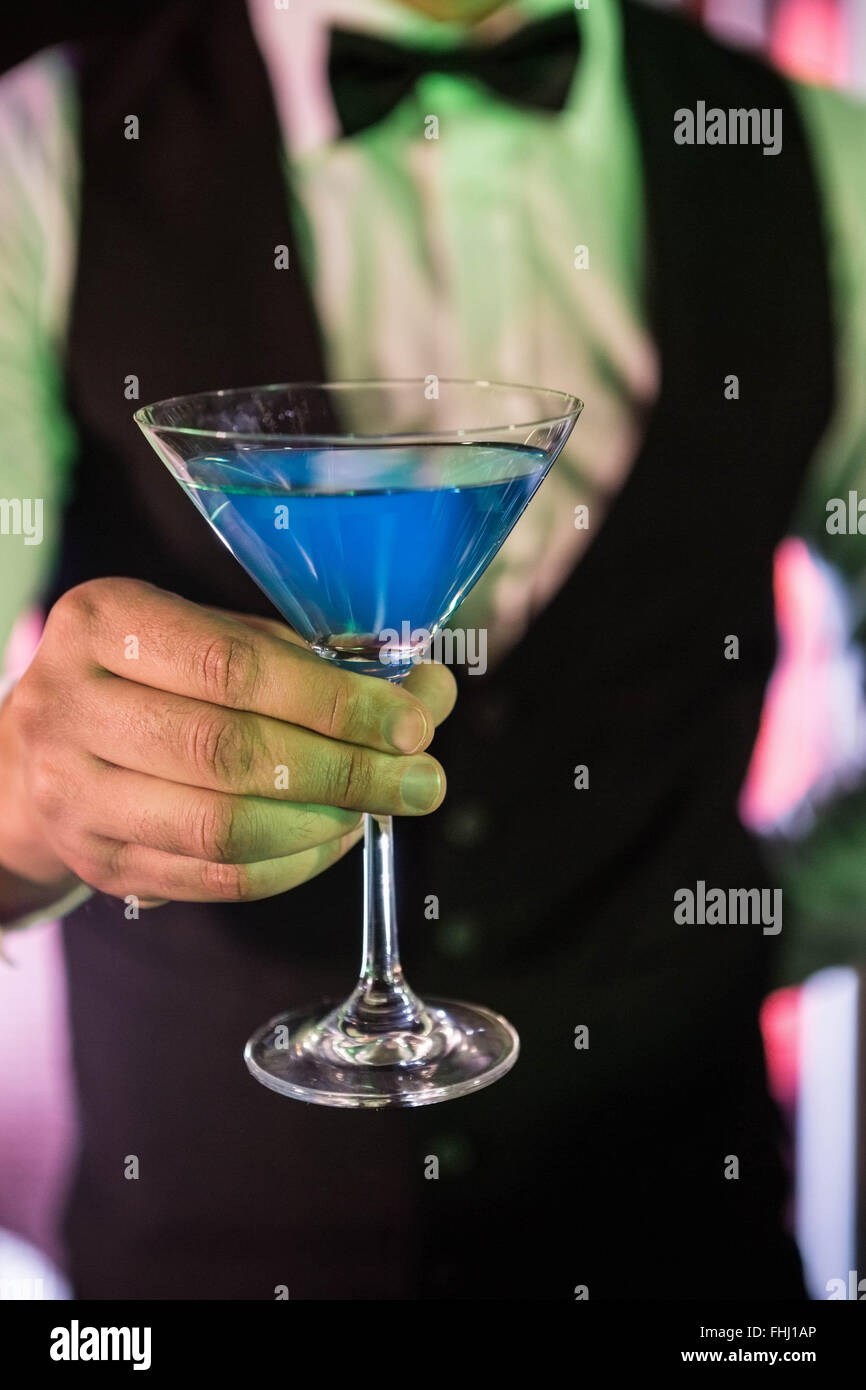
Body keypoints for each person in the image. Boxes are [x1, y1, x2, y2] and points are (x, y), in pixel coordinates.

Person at [0, 0, 864, 1300]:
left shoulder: (821, 161)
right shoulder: (42, 147)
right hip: (205, 1244)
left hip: (678, 1236)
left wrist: (772, 914)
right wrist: (18, 806)